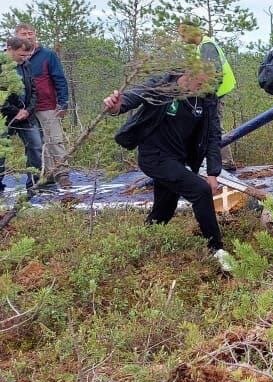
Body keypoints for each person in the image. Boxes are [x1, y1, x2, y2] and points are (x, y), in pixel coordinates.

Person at [102, 66, 234, 271]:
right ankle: (216, 249)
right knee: (200, 191)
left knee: (164, 210)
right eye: (203, 78)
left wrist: (212, 173)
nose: (205, 84)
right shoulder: (163, 85)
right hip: (153, 157)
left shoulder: (207, 99)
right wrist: (117, 106)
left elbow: (212, 137)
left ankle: (139, 246)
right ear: (189, 70)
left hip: (177, 160)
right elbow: (136, 95)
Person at [14, 24, 70, 187]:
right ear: (16, 36)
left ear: (36, 34)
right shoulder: (14, 57)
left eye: (30, 33)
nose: (28, 36)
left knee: (54, 139)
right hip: (23, 109)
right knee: (36, 144)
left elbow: (59, 78)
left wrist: (63, 102)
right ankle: (46, 174)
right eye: (23, 34)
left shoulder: (47, 55)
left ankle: (62, 174)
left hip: (47, 105)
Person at [178, 20, 237, 169]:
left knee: (213, 127)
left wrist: (207, 95)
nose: (182, 39)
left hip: (217, 92)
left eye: (183, 35)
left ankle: (226, 162)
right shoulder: (202, 46)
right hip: (216, 91)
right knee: (211, 126)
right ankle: (221, 160)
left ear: (192, 31)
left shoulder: (206, 46)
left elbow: (214, 74)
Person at [0, 36, 43, 190]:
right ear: (10, 49)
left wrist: (27, 110)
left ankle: (34, 184)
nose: (25, 58)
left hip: (26, 116)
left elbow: (33, 91)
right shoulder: (2, 66)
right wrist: (15, 111)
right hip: (4, 117)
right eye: (21, 54)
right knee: (1, 152)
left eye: (27, 55)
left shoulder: (26, 65)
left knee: (36, 146)